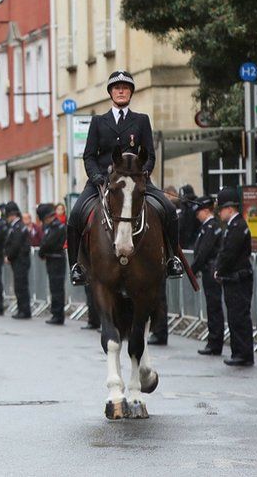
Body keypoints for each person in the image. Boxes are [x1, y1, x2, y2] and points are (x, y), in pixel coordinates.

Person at [66, 70, 184, 286]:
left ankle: (171, 259)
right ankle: (76, 266)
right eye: (117, 88)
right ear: (111, 92)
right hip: (103, 181)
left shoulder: (141, 120)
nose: (121, 91)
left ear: (130, 93)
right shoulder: (98, 122)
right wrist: (97, 178)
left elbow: (149, 154)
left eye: (125, 88)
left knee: (168, 209)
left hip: (136, 179)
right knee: (75, 215)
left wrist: (144, 173)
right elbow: (89, 156)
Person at [214, 187, 254, 367]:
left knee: (239, 317)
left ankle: (243, 354)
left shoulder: (238, 226)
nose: (219, 213)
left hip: (238, 279)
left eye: (221, 209)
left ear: (230, 208)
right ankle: (239, 352)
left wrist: (219, 270)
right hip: (233, 279)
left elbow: (229, 253)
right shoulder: (234, 226)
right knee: (234, 317)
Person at [189, 195, 223, 356]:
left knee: (214, 308)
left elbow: (204, 253)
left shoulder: (211, 227)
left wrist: (191, 271)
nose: (197, 215)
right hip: (209, 271)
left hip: (211, 272)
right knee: (212, 308)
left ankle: (215, 343)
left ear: (206, 210)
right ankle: (213, 341)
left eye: (199, 212)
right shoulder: (208, 227)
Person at [37, 203, 67, 325]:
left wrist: (41, 252)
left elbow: (47, 242)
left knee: (57, 288)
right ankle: (56, 313)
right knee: (54, 288)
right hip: (52, 259)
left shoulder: (57, 227)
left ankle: (58, 314)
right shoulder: (51, 227)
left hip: (57, 260)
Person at [4, 202, 31, 319]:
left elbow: (16, 244)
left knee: (21, 287)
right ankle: (22, 309)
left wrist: (9, 256)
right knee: (20, 286)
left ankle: (24, 311)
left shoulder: (18, 227)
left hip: (20, 261)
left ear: (12, 215)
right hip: (19, 261)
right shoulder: (16, 226)